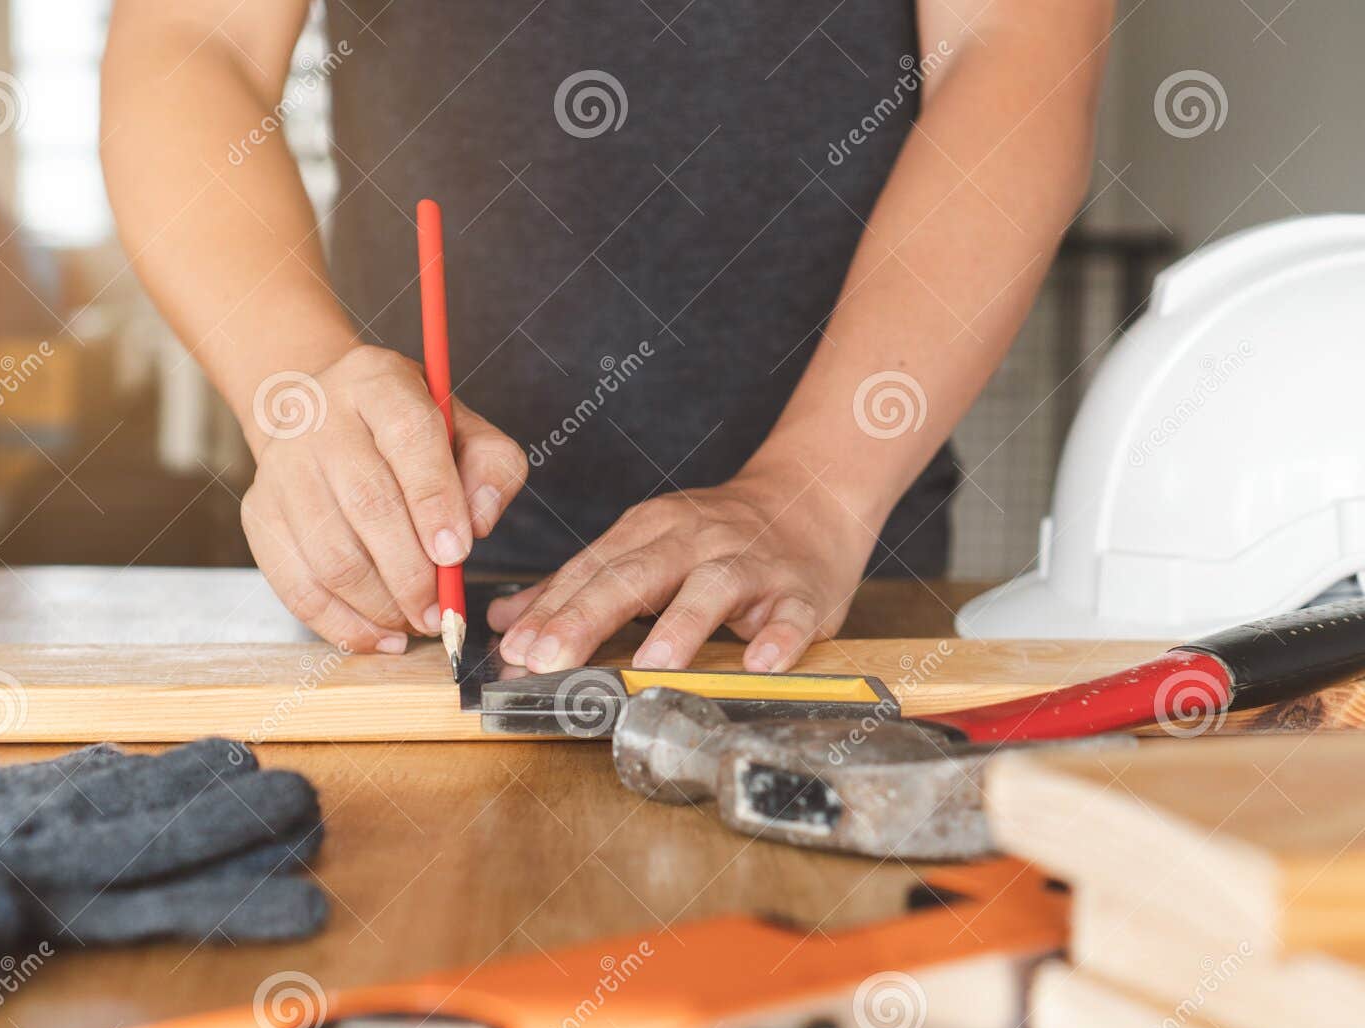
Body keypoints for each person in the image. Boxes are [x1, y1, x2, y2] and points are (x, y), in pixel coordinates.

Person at [101, 1, 1112, 674]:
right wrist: (299, 376)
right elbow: (195, 39)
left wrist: (818, 489)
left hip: (823, 568)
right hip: (408, 561)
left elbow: (1008, 50)